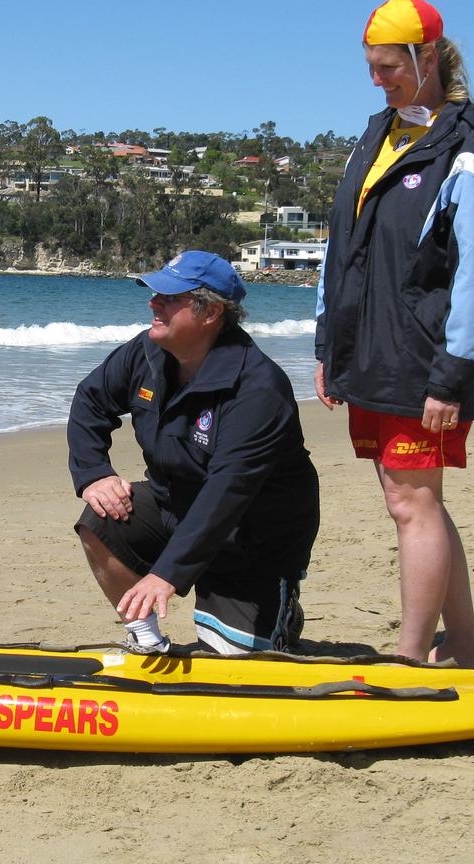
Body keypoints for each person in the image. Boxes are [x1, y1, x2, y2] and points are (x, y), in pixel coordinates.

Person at [314, 0, 474, 667]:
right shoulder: (377, 135)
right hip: (369, 351)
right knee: (413, 501)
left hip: (423, 358)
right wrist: (328, 341)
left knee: (412, 504)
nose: (378, 80)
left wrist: (454, 373)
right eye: (370, 68)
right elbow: (340, 245)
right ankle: (463, 643)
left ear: (426, 56)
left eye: (388, 67)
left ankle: (407, 660)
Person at [69, 251, 319, 655]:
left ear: (210, 313)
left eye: (169, 297)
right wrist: (93, 471)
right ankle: (145, 638)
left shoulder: (257, 389)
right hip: (175, 505)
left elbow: (227, 494)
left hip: (251, 539)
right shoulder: (146, 352)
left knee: (232, 664)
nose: (153, 303)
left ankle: (282, 609)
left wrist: (166, 575)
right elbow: (90, 400)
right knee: (103, 518)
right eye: (154, 294)